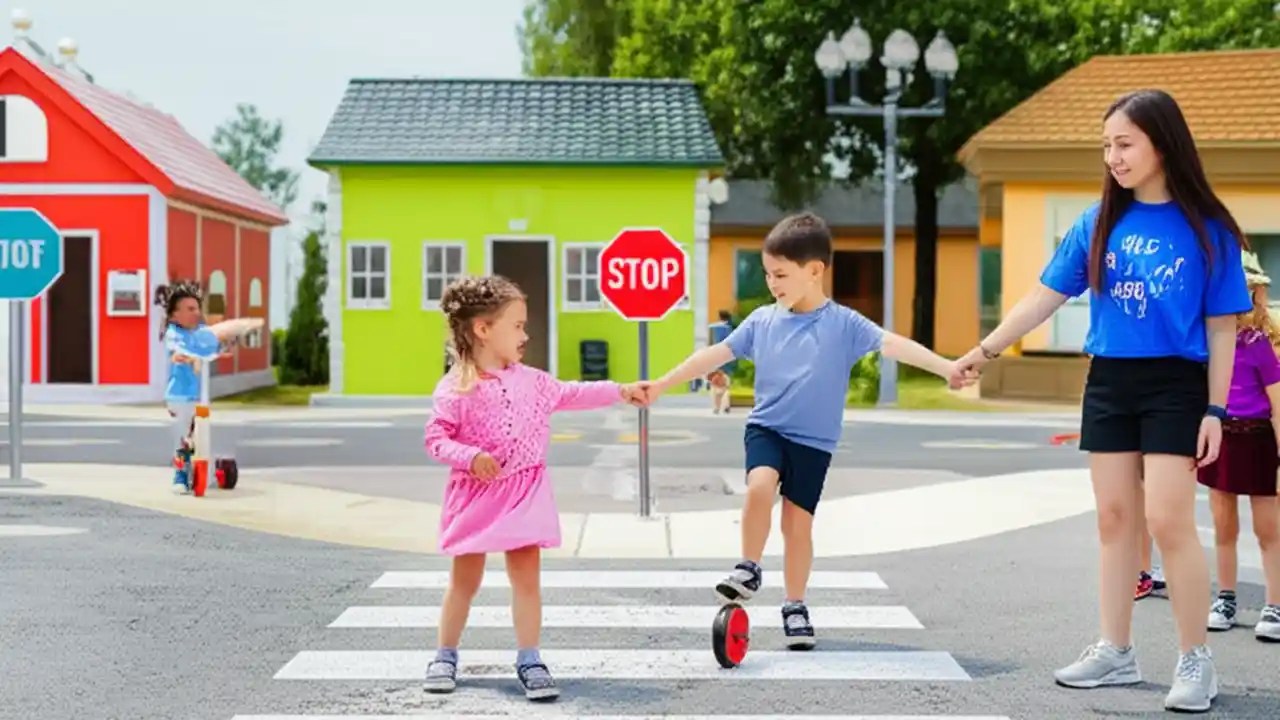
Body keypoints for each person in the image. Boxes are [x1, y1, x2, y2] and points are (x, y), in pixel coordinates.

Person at [952, 89, 1251, 713]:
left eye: (1124, 143)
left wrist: (1216, 411)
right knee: (1115, 521)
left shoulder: (1210, 229)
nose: (1112, 156)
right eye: (1107, 145)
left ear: (1161, 145)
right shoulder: (1096, 223)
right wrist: (986, 349)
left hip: (1178, 383)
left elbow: (1224, 328)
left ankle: (1196, 660)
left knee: (1168, 520)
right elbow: (1042, 298)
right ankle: (1116, 650)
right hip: (1110, 379)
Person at [640, 211, 972, 650]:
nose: (772, 284)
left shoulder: (845, 325)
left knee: (798, 526)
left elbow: (895, 345)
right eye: (767, 274)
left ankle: (795, 604)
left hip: (814, 442)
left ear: (814, 272)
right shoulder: (762, 321)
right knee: (759, 486)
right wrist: (663, 383)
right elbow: (715, 354)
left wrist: (946, 367)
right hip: (768, 428)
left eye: (780, 274)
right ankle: (749, 566)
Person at [421, 275, 646, 701]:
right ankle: (445, 653)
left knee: (526, 579)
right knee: (464, 581)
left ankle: (529, 656)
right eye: (518, 325)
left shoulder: (534, 382)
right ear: (483, 329)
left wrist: (620, 390)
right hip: (477, 497)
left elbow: (573, 392)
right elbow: (436, 439)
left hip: (524, 494)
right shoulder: (455, 387)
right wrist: (470, 457)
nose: (527, 334)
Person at [1197, 251, 1280, 641]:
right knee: (1223, 528)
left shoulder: (1259, 343)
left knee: (1269, 532)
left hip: (1259, 440)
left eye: (1247, 292)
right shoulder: (1207, 345)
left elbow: (1278, 406)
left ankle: (1275, 606)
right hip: (1223, 439)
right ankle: (1225, 599)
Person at [159, 281, 262, 494]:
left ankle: (206, 466)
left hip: (200, 396)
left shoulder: (201, 332)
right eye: (189, 309)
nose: (196, 313)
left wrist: (242, 329)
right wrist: (183, 357)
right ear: (174, 315)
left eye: (197, 308)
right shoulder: (174, 333)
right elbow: (176, 349)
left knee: (201, 433)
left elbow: (219, 333)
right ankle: (180, 473)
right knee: (185, 435)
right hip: (179, 396)